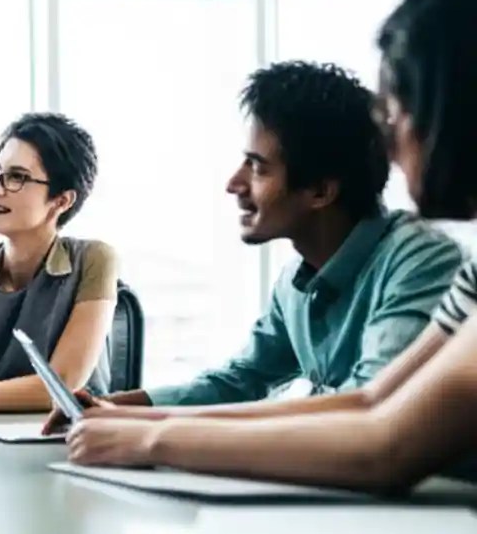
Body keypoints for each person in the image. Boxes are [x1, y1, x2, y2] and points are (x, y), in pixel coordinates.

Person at [65, 0, 477, 492]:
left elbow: (383, 444)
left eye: (400, 116)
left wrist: (151, 441)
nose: (393, 147)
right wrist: (133, 418)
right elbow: (369, 402)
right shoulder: (467, 276)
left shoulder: (421, 257)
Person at [47, 60, 461, 431]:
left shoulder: (420, 261)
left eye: (258, 167)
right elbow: (241, 380)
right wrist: (118, 407)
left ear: (320, 190)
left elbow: (365, 407)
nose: (234, 184)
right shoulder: (296, 281)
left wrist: (157, 433)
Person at [0, 112, 118, 412]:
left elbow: (63, 385)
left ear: (62, 201)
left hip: (70, 445)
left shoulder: (95, 260)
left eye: (16, 177)